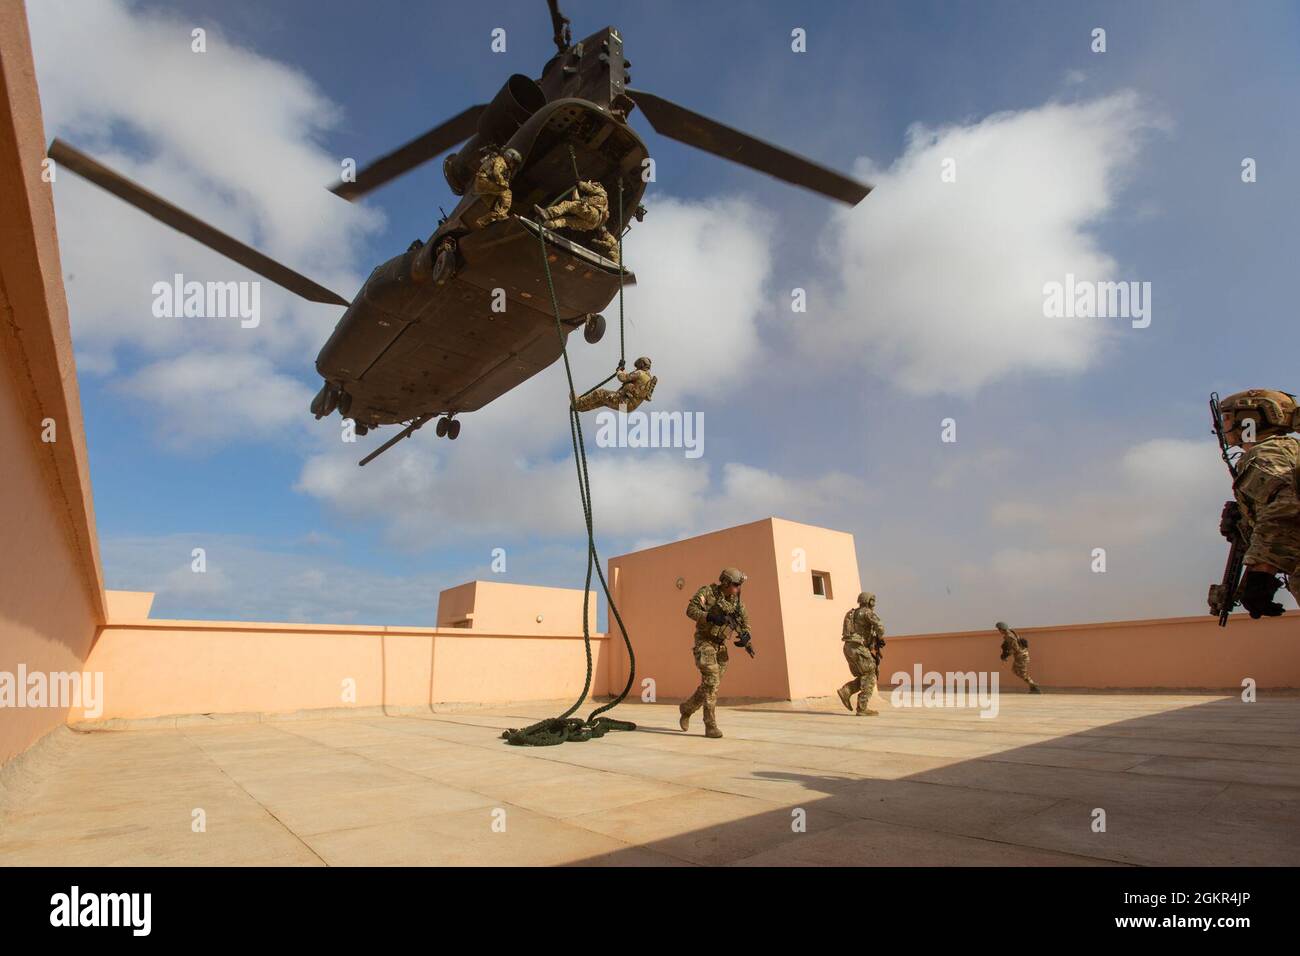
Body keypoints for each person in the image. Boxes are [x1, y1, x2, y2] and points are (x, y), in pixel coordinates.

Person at [1215, 388, 1300, 615]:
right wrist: (1246, 522)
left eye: (1227, 417)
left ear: (1249, 421)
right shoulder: (1289, 450)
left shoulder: (1265, 455)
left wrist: (1261, 574)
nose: (1222, 427)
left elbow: (1287, 507)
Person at [680, 567, 750, 739]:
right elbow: (690, 610)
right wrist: (709, 616)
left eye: (739, 585)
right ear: (725, 583)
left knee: (710, 685)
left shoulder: (736, 602)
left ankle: (687, 708)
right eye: (735, 584)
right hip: (704, 642)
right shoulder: (707, 592)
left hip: (721, 647)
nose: (738, 588)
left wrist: (746, 636)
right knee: (712, 683)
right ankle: (710, 726)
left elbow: (744, 622)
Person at [837, 592, 885, 716]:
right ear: (869, 601)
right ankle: (862, 708)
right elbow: (880, 627)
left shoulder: (852, 613)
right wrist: (879, 637)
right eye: (873, 601)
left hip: (848, 647)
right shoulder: (867, 612)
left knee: (865, 675)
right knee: (871, 673)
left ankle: (846, 691)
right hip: (858, 647)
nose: (874, 603)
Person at [572, 357, 655, 413]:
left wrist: (619, 371)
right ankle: (580, 408)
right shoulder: (649, 379)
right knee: (603, 401)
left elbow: (623, 378)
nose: (636, 368)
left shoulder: (640, 373)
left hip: (624, 402)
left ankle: (578, 403)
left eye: (637, 366)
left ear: (641, 365)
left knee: (600, 393)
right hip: (627, 408)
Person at [472, 147, 522, 228]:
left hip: (481, 185)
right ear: (509, 157)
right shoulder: (500, 160)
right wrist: (504, 183)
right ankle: (502, 215)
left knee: (496, 208)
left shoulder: (506, 169)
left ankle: (481, 222)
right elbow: (496, 173)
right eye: (514, 162)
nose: (514, 165)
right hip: (484, 181)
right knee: (507, 193)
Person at [996, 622, 1040, 693]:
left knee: (1021, 673)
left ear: (1002, 629)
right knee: (1015, 671)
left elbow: (1016, 649)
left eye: (999, 629)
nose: (999, 631)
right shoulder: (1009, 634)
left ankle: (1034, 687)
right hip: (1020, 655)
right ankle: (1033, 686)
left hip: (1021, 656)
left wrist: (1007, 654)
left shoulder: (1010, 636)